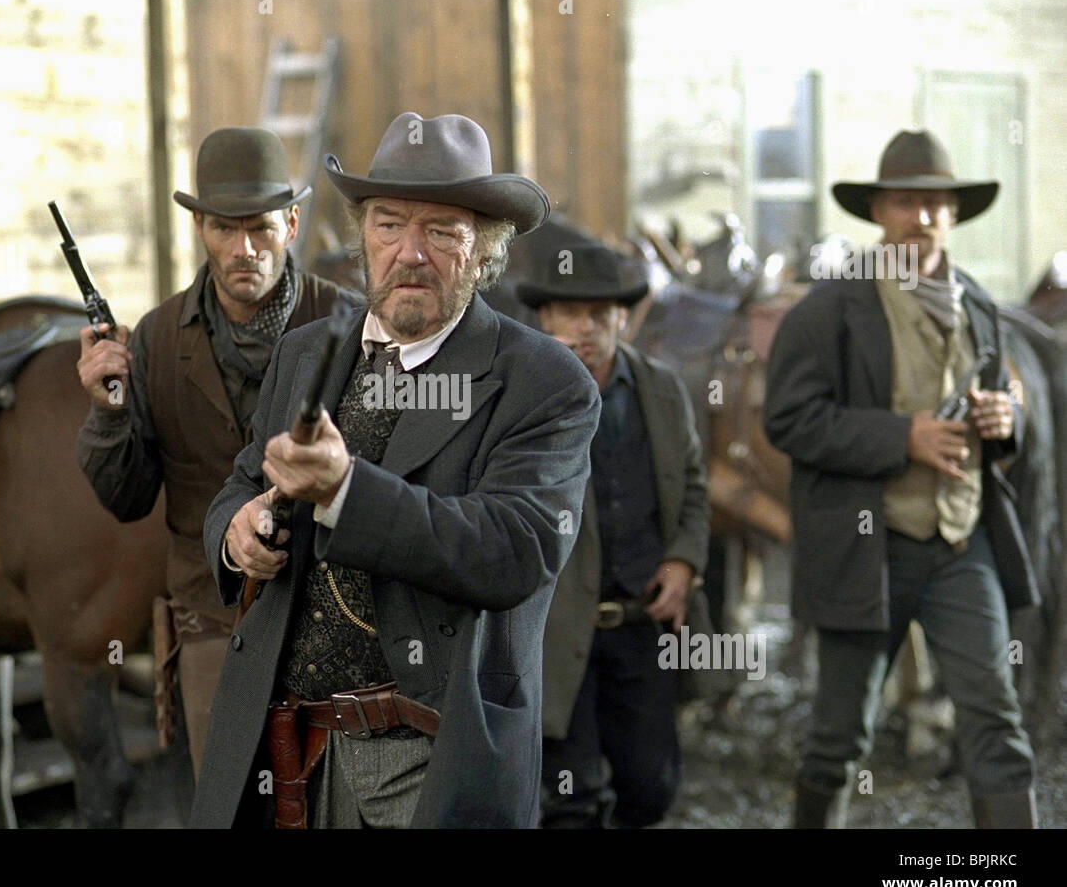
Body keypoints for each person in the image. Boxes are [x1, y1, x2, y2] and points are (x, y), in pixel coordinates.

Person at [193, 112, 601, 828]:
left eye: (442, 230)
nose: (410, 253)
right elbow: (242, 479)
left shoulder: (543, 380)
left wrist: (346, 493)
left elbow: (515, 549)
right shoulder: (307, 353)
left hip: (428, 754)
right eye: (388, 225)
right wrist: (235, 529)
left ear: (484, 251)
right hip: (286, 748)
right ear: (362, 238)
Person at [764, 129, 1038, 828]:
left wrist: (1004, 421)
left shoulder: (977, 304)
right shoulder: (829, 309)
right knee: (838, 740)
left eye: (937, 204)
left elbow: (1003, 427)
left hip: (958, 542)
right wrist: (903, 435)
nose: (923, 217)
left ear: (955, 214)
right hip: (869, 548)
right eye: (907, 202)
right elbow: (790, 421)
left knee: (996, 723)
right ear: (880, 212)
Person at [75, 127, 358, 779]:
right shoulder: (156, 337)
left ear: (291, 223)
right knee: (226, 800)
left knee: (329, 803)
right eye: (224, 229)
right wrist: (108, 410)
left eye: (260, 227)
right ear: (199, 227)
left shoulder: (346, 324)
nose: (244, 249)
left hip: (333, 609)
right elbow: (126, 498)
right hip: (211, 614)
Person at [519, 243, 710, 828]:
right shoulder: (521, 397)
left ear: (622, 318)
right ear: (545, 319)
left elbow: (695, 488)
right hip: (558, 630)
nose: (586, 327)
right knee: (569, 800)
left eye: (600, 313)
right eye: (570, 313)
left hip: (641, 624)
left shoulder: (660, 389)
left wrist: (682, 562)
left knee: (651, 788)